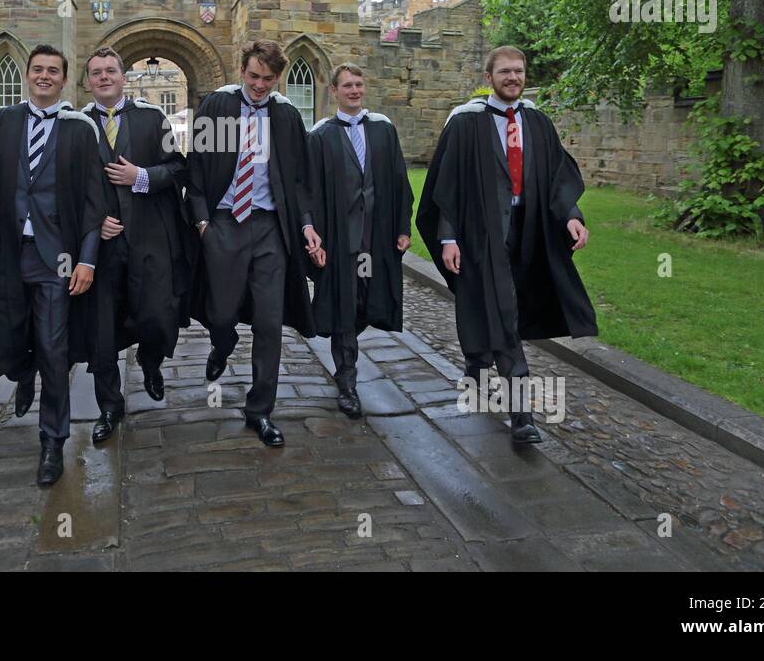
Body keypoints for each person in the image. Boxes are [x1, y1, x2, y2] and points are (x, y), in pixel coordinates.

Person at [0, 44, 106, 486]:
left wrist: (87, 259)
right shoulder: (1, 123)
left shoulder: (80, 130)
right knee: (6, 336)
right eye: (38, 69)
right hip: (4, 254)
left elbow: (94, 202)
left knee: (54, 348)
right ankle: (22, 370)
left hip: (56, 259)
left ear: (64, 79)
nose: (44, 76)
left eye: (53, 71)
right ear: (27, 75)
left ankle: (52, 440)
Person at [415, 45, 597, 442]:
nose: (513, 78)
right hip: (480, 233)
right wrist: (448, 237)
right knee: (502, 313)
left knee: (503, 308)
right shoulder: (466, 123)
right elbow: (448, 186)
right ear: (488, 78)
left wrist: (571, 215)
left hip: (529, 231)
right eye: (504, 72)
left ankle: (477, 363)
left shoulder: (537, 122)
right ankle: (522, 415)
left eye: (518, 71)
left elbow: (557, 178)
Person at [186, 40, 321, 447]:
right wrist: (203, 223)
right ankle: (221, 342)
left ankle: (260, 410)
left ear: (277, 77)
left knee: (268, 321)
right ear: (242, 70)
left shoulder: (286, 115)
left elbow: (298, 179)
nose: (260, 85)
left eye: (268, 78)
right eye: (254, 76)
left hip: (268, 228)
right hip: (224, 222)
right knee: (221, 312)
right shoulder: (218, 106)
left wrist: (307, 225)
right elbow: (196, 167)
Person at [81, 47, 196, 442]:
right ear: (88, 81)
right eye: (96, 72)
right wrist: (93, 222)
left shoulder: (151, 118)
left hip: (150, 237)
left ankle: (150, 361)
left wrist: (141, 176)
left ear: (122, 76)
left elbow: (178, 168)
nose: (104, 77)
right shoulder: (77, 125)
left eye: (110, 70)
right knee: (102, 329)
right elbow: (66, 186)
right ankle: (109, 406)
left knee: (157, 313)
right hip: (102, 248)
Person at [306, 63, 413, 419]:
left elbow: (400, 182)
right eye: (347, 85)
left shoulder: (383, 130)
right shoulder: (321, 135)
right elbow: (309, 191)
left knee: (368, 300)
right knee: (344, 304)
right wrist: (313, 232)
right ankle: (347, 377)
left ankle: (349, 341)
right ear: (334, 91)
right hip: (340, 240)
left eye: (358, 84)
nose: (354, 90)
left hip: (375, 238)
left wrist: (402, 227)